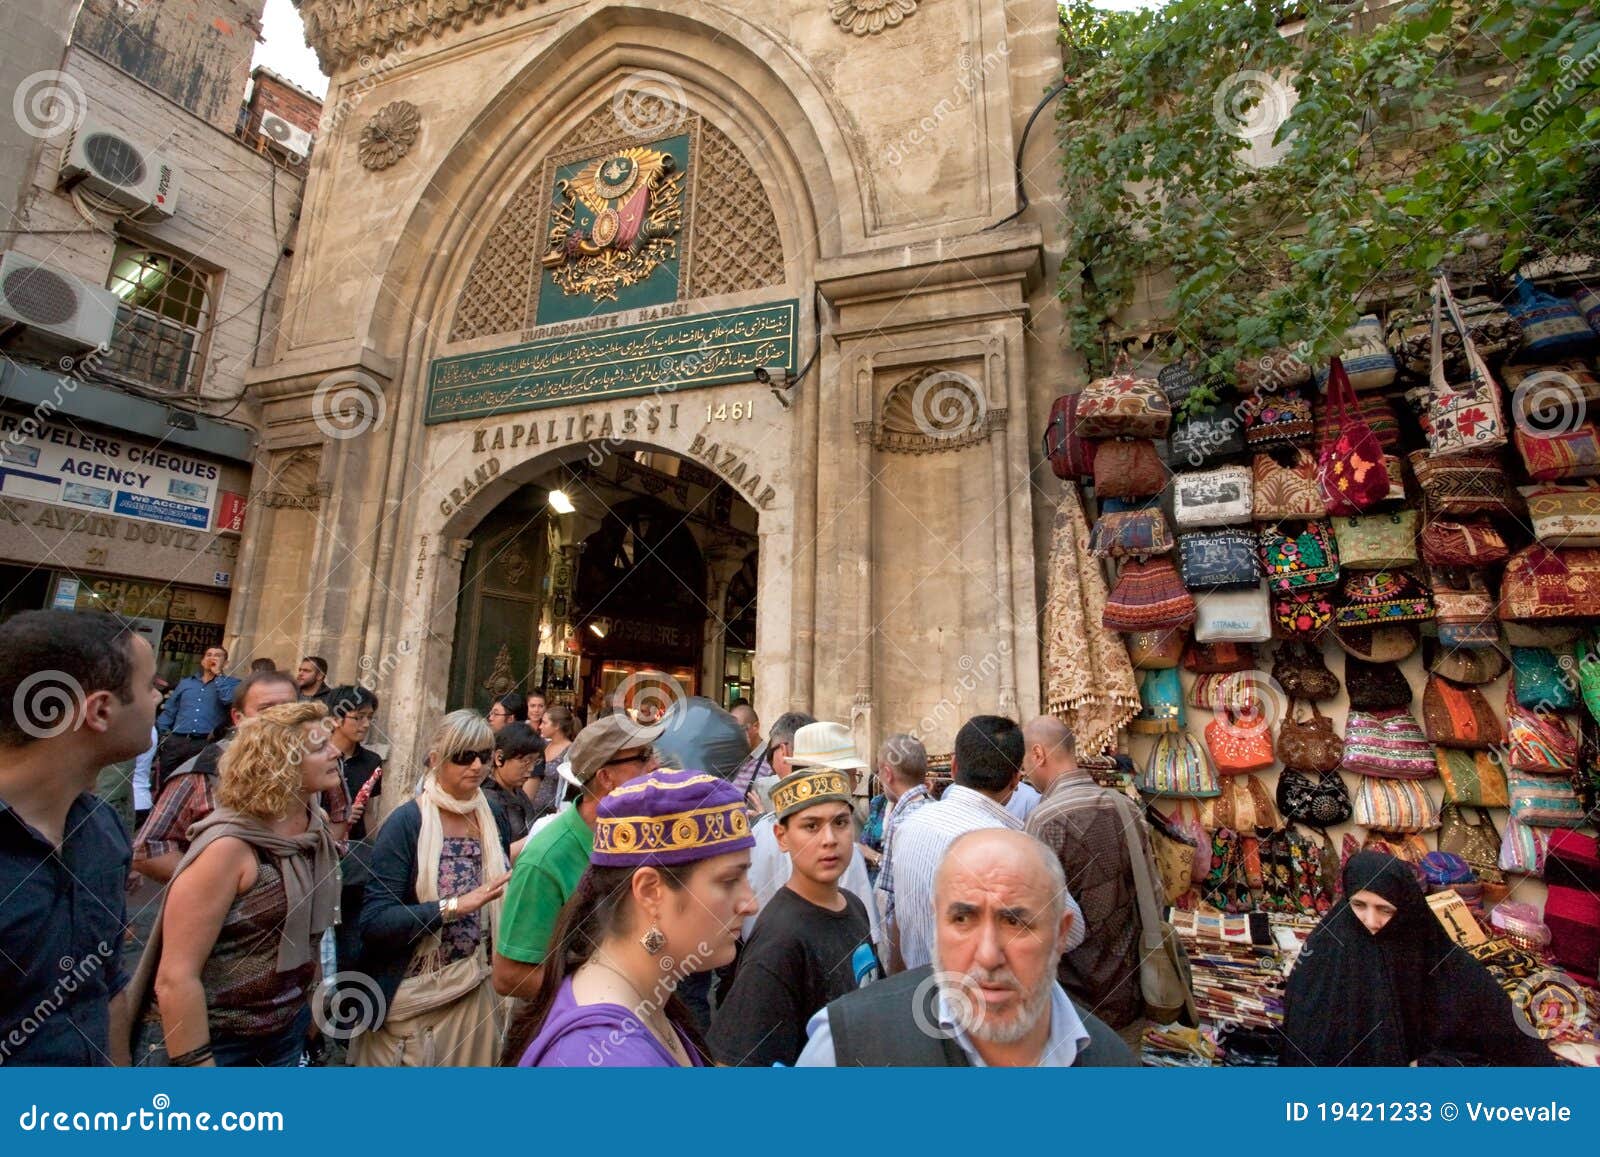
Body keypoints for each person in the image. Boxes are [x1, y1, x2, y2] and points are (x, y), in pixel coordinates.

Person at [797, 829, 1135, 1067]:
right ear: (936, 923)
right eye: (962, 919)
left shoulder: (1112, 1063)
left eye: (1016, 923)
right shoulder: (846, 1046)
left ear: (1061, 935)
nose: (988, 956)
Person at [131, 702, 342, 1067]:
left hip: (286, 1033)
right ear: (283, 762)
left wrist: (312, 1006)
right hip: (222, 1042)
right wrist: (198, 1063)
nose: (336, 751)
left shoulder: (314, 831)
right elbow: (176, 977)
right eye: (320, 746)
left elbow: (309, 933)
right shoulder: (227, 848)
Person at [508, 768, 758, 1066]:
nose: (750, 904)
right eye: (729, 881)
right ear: (650, 892)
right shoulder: (605, 1056)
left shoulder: (644, 998)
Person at [0, 611, 161, 1066]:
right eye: (150, 685)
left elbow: (104, 986)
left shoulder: (103, 831)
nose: (159, 696)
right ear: (100, 710)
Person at [1280, 851, 1555, 1067]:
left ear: (1406, 906)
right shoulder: (1329, 945)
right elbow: (1303, 1029)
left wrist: (1429, 1066)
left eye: (1385, 909)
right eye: (1359, 905)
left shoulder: (1432, 952)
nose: (1371, 921)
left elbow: (1507, 1038)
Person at [354, 710, 513, 1066]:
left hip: (476, 987)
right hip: (414, 998)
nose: (475, 766)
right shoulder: (406, 823)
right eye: (463, 757)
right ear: (436, 758)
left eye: (484, 756)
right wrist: (454, 906)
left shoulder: (493, 816)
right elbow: (376, 922)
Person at [709, 764, 879, 1066]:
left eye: (840, 822)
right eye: (811, 826)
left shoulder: (854, 906)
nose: (829, 839)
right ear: (782, 836)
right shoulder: (780, 940)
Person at [886, 715, 1083, 973]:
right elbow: (1073, 931)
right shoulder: (1016, 848)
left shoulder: (907, 825)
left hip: (916, 994)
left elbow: (895, 921)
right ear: (1015, 779)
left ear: (954, 767)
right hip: (983, 1001)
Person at [492, 713, 663, 998]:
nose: (655, 766)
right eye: (642, 757)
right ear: (606, 777)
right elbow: (510, 977)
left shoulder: (639, 836)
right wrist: (605, 993)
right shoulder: (546, 858)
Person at [134, 669, 349, 882]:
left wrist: (317, 863)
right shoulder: (203, 771)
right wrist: (222, 885)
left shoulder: (319, 762)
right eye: (267, 709)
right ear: (238, 718)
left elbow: (340, 814)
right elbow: (149, 848)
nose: (280, 718)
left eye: (288, 708)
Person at [1022, 715, 1150, 1029]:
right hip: (1129, 988)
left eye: (1025, 760)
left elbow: (1037, 921)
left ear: (1038, 754)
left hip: (1072, 1003)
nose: (1024, 770)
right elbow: (1153, 892)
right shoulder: (1125, 806)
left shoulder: (1044, 820)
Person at [743, 721, 880, 948]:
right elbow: (866, 941)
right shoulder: (842, 852)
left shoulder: (760, 830)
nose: (855, 783)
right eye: (852, 775)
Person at [326, 685, 383, 979]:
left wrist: (377, 851)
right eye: (358, 717)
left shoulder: (372, 762)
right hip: (322, 854)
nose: (365, 724)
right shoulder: (316, 756)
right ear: (336, 718)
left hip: (355, 856)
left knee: (350, 933)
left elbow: (371, 814)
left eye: (369, 718)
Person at [871, 733, 932, 935]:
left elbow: (889, 899)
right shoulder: (937, 809)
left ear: (887, 773)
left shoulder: (900, 823)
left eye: (879, 772)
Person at [155, 645, 239, 783]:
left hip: (205, 743)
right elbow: (170, 709)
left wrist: (218, 675)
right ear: (202, 660)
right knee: (166, 780)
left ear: (226, 663)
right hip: (176, 741)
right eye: (209, 654)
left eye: (217, 656)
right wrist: (163, 735)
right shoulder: (186, 683)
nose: (212, 658)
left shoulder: (232, 684)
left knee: (198, 782)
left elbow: (228, 700)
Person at [733, 710, 812, 809]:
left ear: (783, 751)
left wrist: (761, 819)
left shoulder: (765, 788)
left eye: (771, 751)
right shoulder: (831, 783)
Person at [482, 722, 544, 844]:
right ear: (499, 758)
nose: (531, 768)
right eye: (526, 761)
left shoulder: (518, 792)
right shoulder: (487, 799)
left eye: (535, 761)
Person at [530, 705, 578, 815]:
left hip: (553, 812)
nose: (540, 726)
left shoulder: (570, 751)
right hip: (532, 809)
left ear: (557, 726)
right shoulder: (543, 745)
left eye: (545, 723)